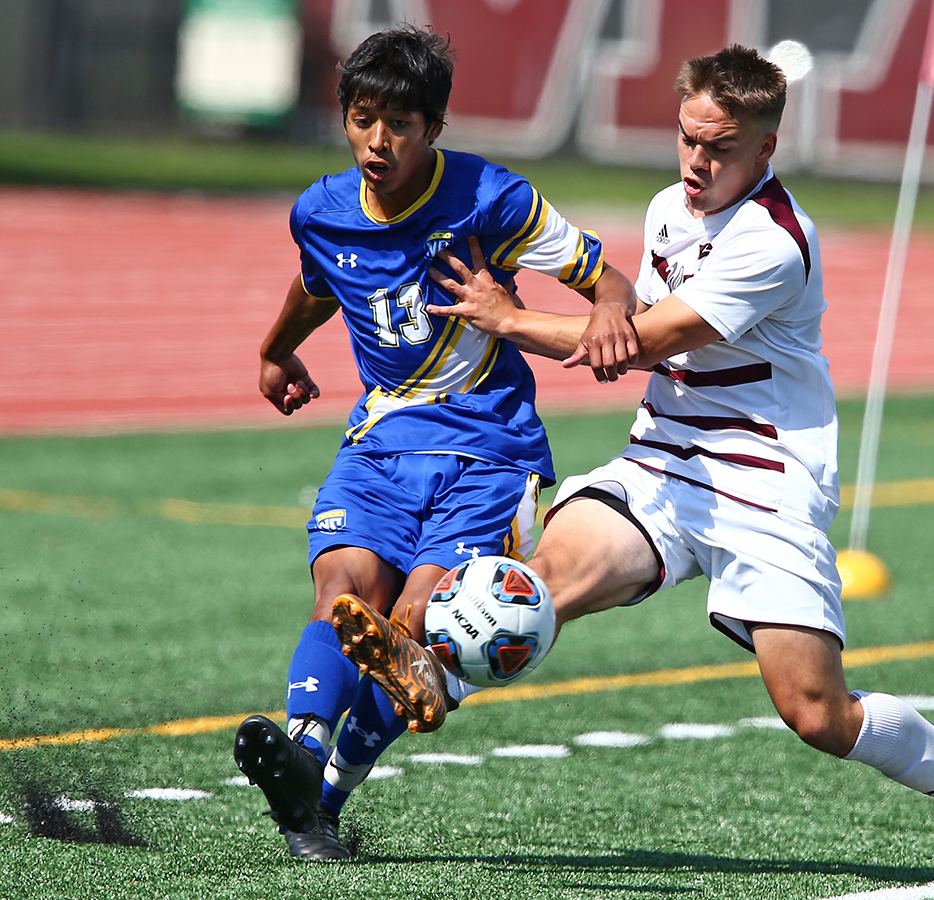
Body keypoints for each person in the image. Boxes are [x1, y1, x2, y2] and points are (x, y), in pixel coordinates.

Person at [334, 45, 934, 882]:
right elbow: (627, 321)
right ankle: (372, 732)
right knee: (533, 584)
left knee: (816, 713)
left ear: (764, 150)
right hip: (663, 464)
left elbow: (643, 343)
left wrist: (508, 318)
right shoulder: (670, 207)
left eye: (720, 148)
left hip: (763, 489)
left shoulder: (772, 244)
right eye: (688, 139)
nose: (697, 162)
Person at [232, 25, 638, 862]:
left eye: (402, 124)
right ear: (344, 115)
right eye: (364, 117)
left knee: (416, 623)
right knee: (344, 597)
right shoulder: (320, 209)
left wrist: (607, 316)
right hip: (380, 444)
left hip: (491, 451)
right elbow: (319, 281)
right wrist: (276, 351)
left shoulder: (492, 199)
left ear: (435, 129)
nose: (379, 141)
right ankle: (306, 760)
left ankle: (325, 796)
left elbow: (608, 277)